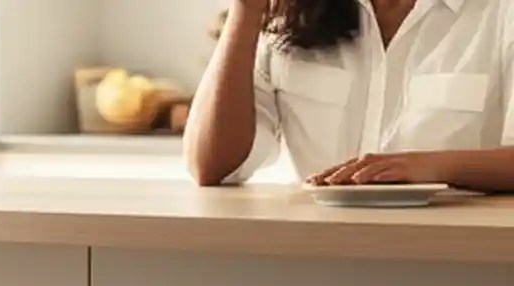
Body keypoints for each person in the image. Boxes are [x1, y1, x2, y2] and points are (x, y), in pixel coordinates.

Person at [185, 0, 514, 191]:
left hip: (464, 270)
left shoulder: (501, 13)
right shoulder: (291, 16)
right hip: (319, 266)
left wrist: (434, 168)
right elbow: (212, 167)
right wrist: (246, 11)